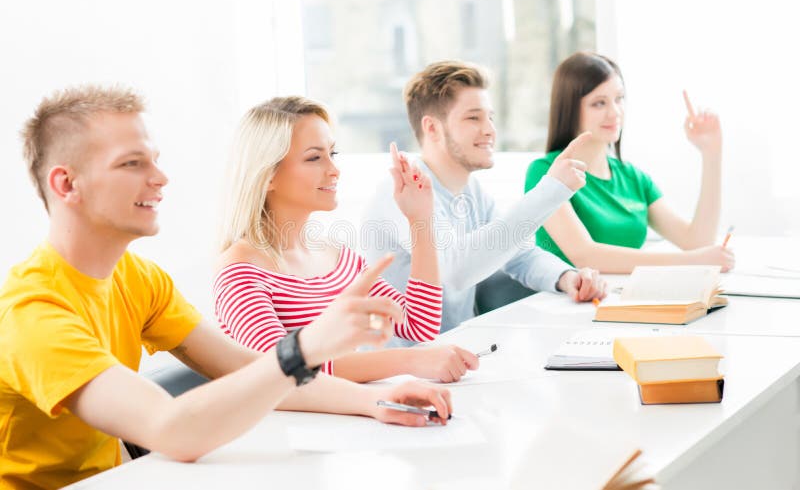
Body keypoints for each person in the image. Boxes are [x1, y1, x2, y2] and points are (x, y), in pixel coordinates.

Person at [0, 85, 452, 490]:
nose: (160, 178)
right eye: (132, 164)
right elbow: (172, 430)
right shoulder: (32, 314)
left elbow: (250, 369)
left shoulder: (137, 278)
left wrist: (374, 400)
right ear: (66, 184)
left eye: (155, 160)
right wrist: (308, 347)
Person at [215, 96, 479, 384]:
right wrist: (410, 360)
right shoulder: (239, 273)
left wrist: (420, 220)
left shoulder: (341, 261)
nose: (334, 169)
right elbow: (282, 373)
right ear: (267, 175)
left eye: (333, 153)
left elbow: (416, 325)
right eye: (314, 158)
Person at [361, 60, 607, 341]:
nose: (490, 129)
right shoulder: (401, 194)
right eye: (474, 118)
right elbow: (454, 270)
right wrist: (550, 191)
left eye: (490, 117)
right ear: (432, 128)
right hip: (402, 371)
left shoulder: (471, 191)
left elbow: (519, 254)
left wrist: (566, 278)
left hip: (453, 354)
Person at [524, 51, 735, 273]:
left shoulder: (633, 178)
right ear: (569, 109)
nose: (615, 112)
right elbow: (585, 256)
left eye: (619, 98)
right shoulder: (546, 173)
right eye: (599, 103)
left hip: (623, 298)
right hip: (564, 303)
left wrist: (712, 153)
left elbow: (697, 242)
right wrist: (692, 261)